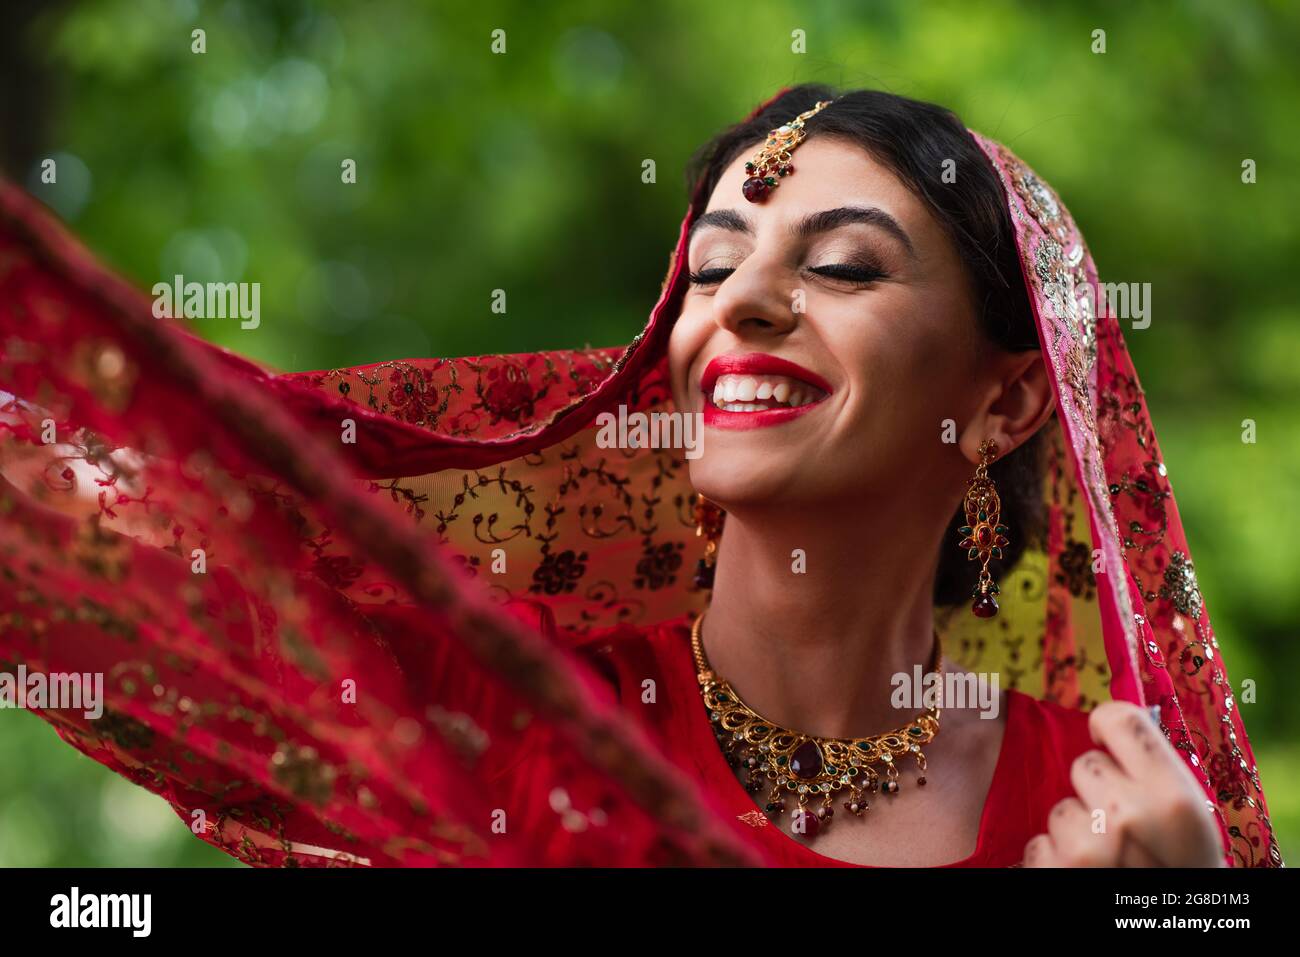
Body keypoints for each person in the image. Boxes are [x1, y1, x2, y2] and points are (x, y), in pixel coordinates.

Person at [0, 84, 1280, 868]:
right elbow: (67, 562)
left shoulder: (1117, 811)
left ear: (1000, 399)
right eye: (713, 269)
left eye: (840, 267)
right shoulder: (507, 728)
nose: (748, 306)